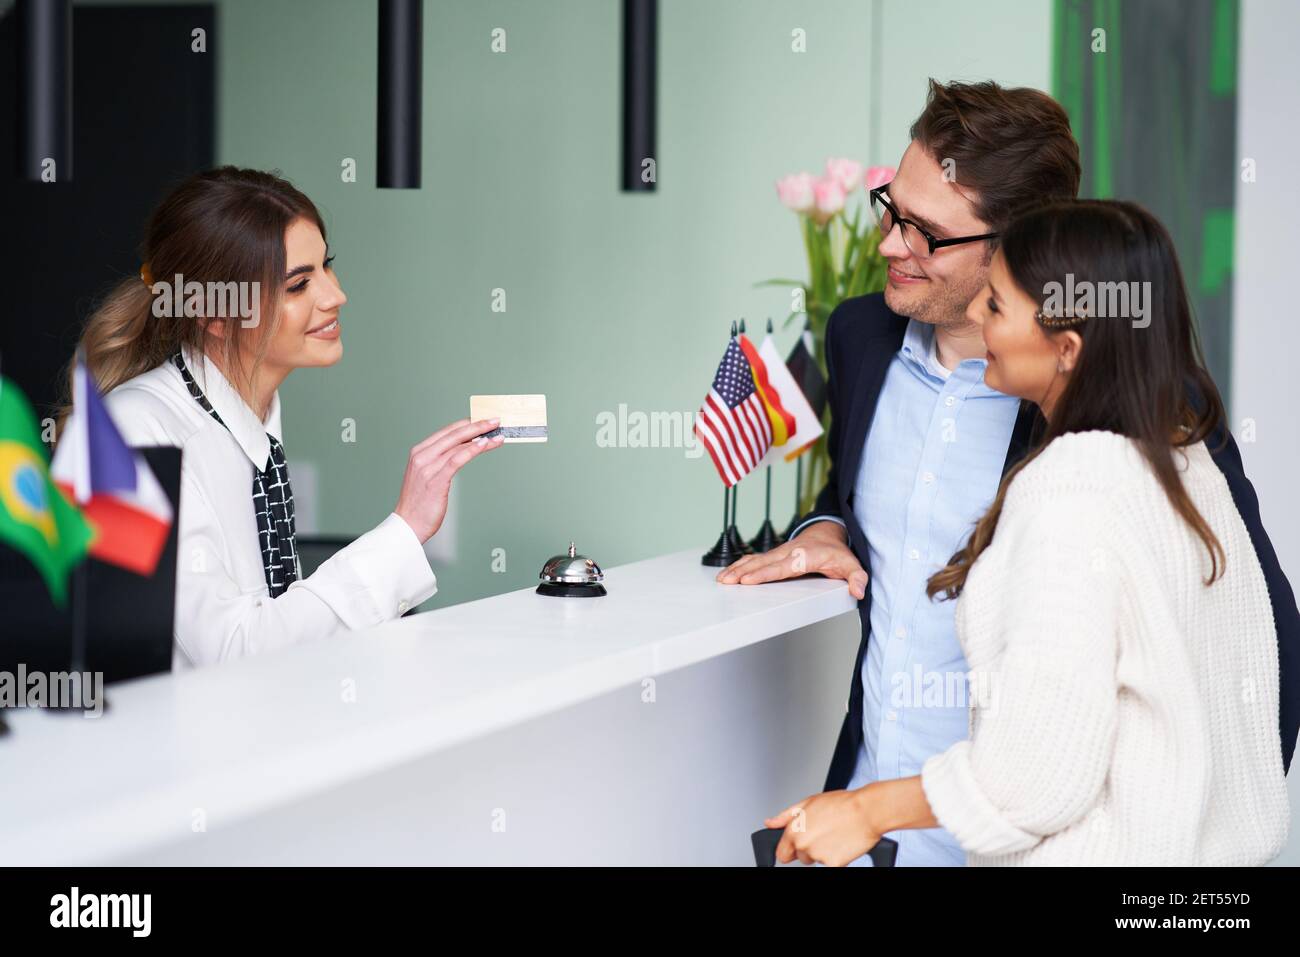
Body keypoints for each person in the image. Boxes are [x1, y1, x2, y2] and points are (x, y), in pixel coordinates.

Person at [718, 80, 1298, 865]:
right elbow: (851, 494)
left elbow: (1257, 641)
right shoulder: (860, 337)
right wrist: (823, 528)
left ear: (1024, 250)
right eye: (892, 206)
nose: (890, 242)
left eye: (927, 232)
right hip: (871, 836)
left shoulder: (1131, 421)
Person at [63, 166, 504, 668]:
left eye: (327, 265)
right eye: (298, 285)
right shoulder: (134, 432)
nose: (335, 295)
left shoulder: (257, 418)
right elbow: (233, 654)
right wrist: (405, 530)